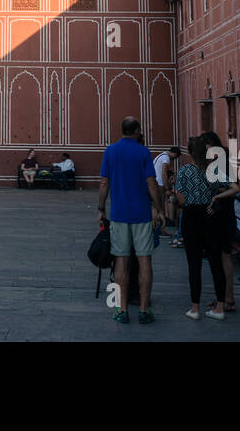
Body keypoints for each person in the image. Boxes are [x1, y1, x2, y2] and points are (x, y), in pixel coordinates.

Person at [97, 117, 163, 324]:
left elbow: (104, 182)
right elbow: (151, 182)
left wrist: (101, 208)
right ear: (135, 131)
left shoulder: (111, 151)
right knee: (145, 261)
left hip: (119, 214)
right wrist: (158, 208)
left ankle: (122, 309)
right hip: (141, 214)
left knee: (121, 262)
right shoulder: (143, 151)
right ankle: (144, 309)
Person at [175, 135, 229, 321]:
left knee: (194, 264)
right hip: (210, 216)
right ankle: (220, 308)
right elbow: (233, 187)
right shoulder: (213, 170)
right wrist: (214, 198)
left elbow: (180, 200)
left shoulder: (184, 171)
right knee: (216, 263)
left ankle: (195, 308)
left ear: (190, 152)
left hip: (191, 217)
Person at [201, 131, 240, 314]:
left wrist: (216, 197)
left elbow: (234, 188)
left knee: (223, 257)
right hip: (222, 214)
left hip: (223, 216)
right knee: (222, 257)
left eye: (206, 147)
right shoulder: (221, 161)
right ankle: (224, 297)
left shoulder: (221, 162)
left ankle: (228, 299)